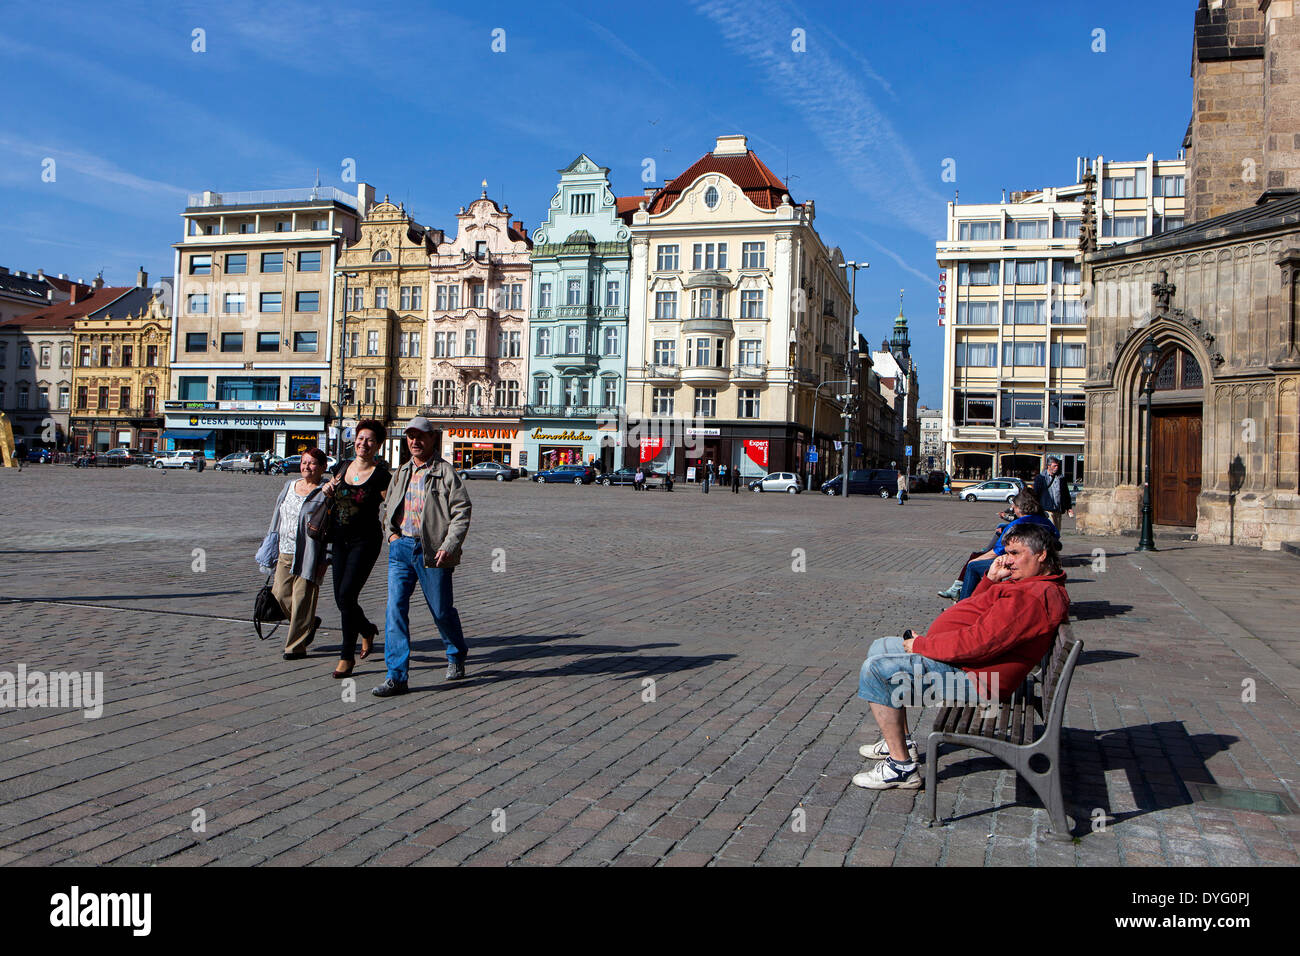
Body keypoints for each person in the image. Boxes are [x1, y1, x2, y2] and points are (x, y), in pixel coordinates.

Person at [853, 522, 1069, 789]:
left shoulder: (1032, 597)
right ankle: (903, 743)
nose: (1008, 560)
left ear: (1042, 555)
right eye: (1007, 552)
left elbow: (980, 643)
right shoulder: (1030, 584)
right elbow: (976, 611)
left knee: (876, 670)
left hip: (980, 680)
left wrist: (923, 646)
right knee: (881, 647)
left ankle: (901, 769)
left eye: (1015, 553)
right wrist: (991, 579)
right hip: (974, 666)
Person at [374, 417, 471, 696]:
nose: (415, 442)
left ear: (432, 440)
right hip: (401, 549)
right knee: (394, 611)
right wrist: (391, 534)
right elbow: (388, 506)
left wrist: (449, 545)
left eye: (421, 437)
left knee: (441, 609)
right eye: (410, 437)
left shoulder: (445, 472)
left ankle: (455, 653)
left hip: (433, 552)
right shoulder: (402, 471)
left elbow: (461, 512)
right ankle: (396, 676)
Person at [321, 420, 391, 679]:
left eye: (370, 440)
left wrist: (394, 531)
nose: (363, 444)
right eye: (360, 438)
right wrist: (328, 489)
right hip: (339, 540)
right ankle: (367, 629)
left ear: (377, 445)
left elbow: (393, 505)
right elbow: (331, 493)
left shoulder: (381, 475)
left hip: (365, 541)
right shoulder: (341, 467)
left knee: (347, 594)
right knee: (342, 598)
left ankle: (346, 656)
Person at [258, 447, 330, 660]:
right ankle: (308, 623)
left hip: (310, 554)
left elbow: (331, 528)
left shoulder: (325, 492)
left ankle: (295, 647)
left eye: (312, 463)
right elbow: (276, 516)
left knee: (302, 599)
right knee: (279, 595)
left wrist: (326, 558)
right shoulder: (289, 486)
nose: (307, 467)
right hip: (285, 550)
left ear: (323, 467)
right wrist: (270, 542)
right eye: (304, 462)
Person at [937, 489, 1058, 601]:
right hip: (1045, 562)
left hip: (1021, 563)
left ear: (1020, 508)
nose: (1013, 510)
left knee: (973, 566)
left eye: (1014, 507)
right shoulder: (1046, 522)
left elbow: (998, 551)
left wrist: (975, 560)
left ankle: (963, 604)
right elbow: (1056, 537)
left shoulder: (1016, 524)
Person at [1033, 457, 1074, 529]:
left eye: (1057, 466)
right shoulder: (1040, 478)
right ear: (1049, 466)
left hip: (1058, 509)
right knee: (1050, 530)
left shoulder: (1061, 478)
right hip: (1047, 509)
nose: (1056, 468)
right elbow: (1036, 493)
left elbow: (1066, 494)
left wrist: (1068, 507)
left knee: (1057, 531)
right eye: (1054, 466)